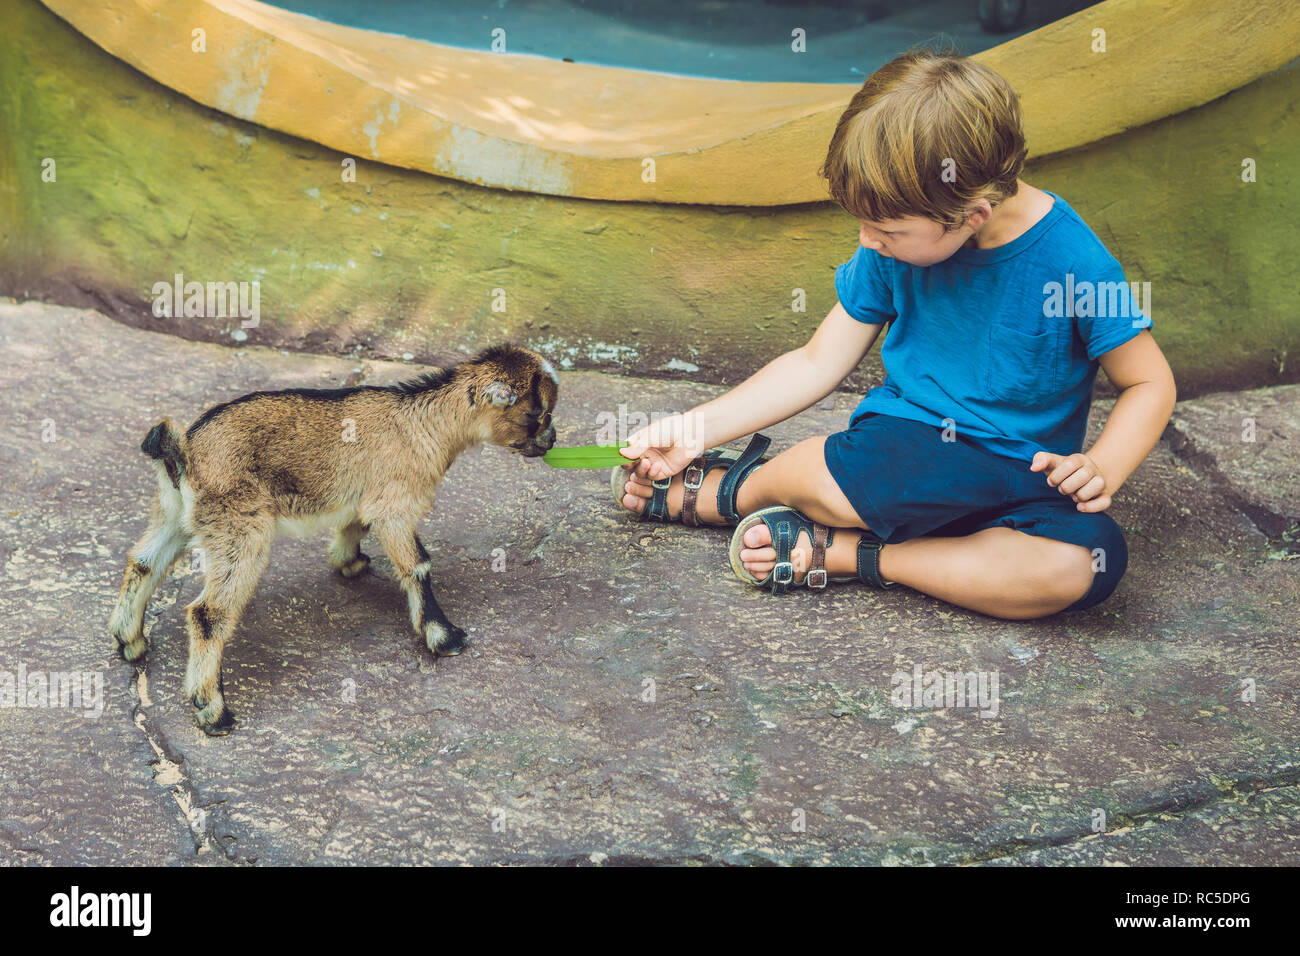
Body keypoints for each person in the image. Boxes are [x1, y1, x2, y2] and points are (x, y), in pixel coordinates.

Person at [610, 49, 1176, 620]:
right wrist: (695, 428)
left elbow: (1149, 383)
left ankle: (853, 553)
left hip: (1017, 477)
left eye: (885, 229)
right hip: (911, 452)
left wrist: (1103, 465)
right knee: (832, 478)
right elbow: (816, 362)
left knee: (1083, 564)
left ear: (972, 215)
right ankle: (741, 491)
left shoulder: (1075, 262)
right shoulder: (894, 242)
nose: (868, 240)